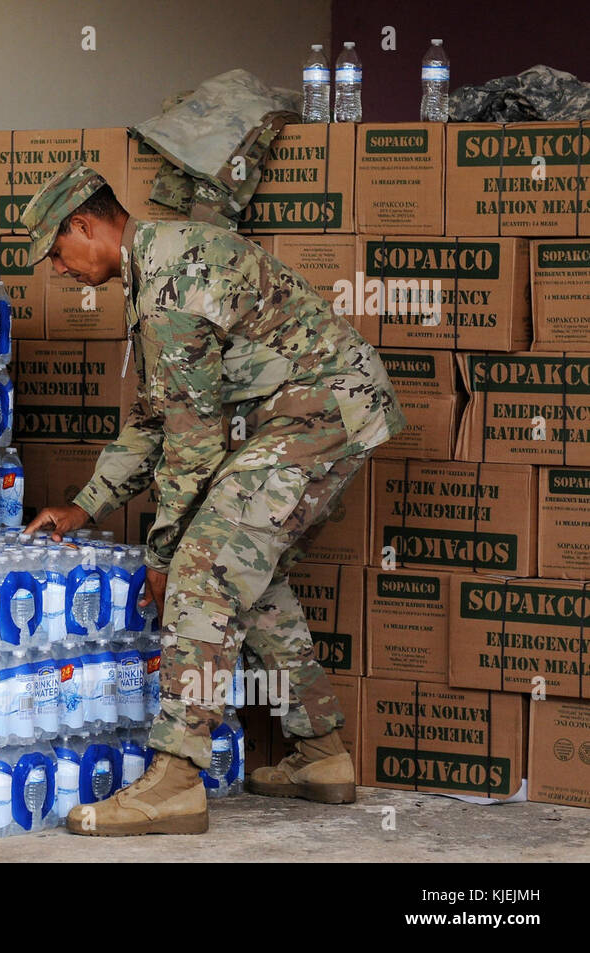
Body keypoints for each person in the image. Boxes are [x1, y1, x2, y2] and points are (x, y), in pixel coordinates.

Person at [22, 162, 405, 836]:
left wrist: (169, 556)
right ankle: (321, 753)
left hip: (319, 410)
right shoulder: (158, 269)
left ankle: (174, 778)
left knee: (206, 568)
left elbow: (193, 446)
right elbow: (157, 418)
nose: (60, 269)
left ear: (85, 225)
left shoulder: (168, 286)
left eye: (57, 252)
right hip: (318, 410)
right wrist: (86, 504)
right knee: (250, 576)